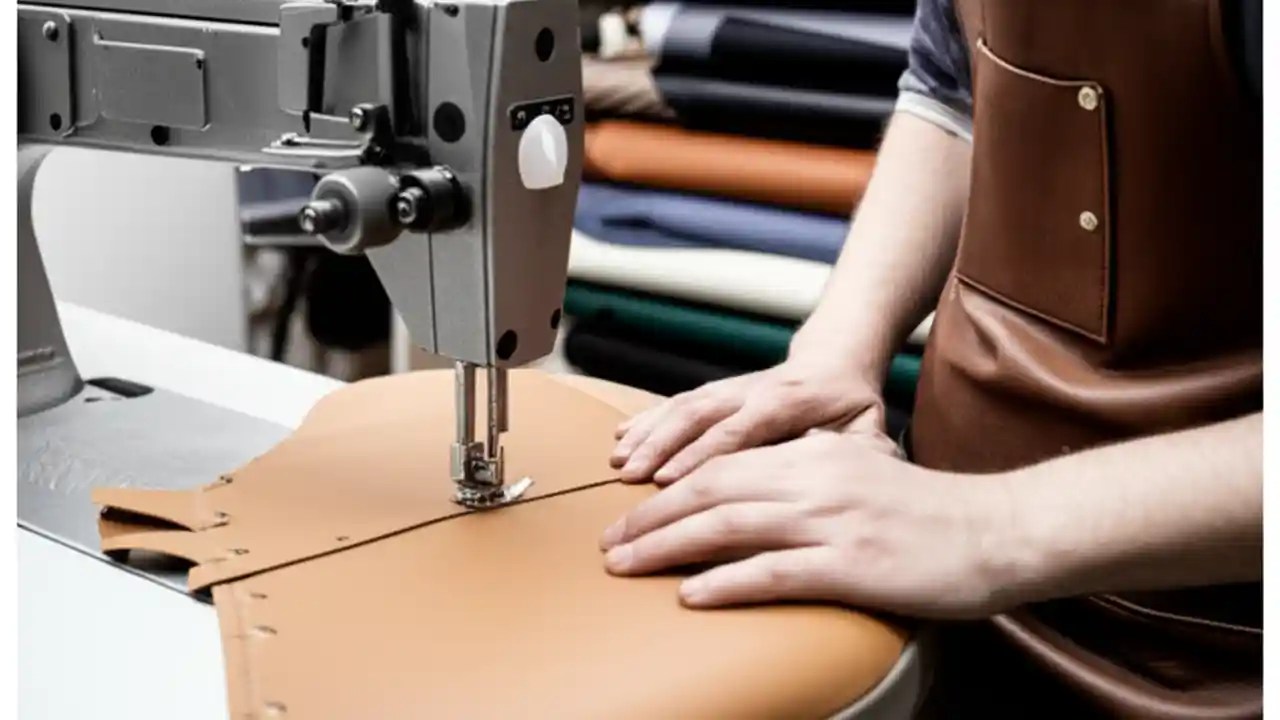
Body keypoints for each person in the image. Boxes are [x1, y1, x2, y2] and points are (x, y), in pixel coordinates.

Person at [598, 0, 1263, 716]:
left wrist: (980, 529)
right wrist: (833, 353)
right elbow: (950, 87)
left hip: (1195, 651)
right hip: (937, 557)